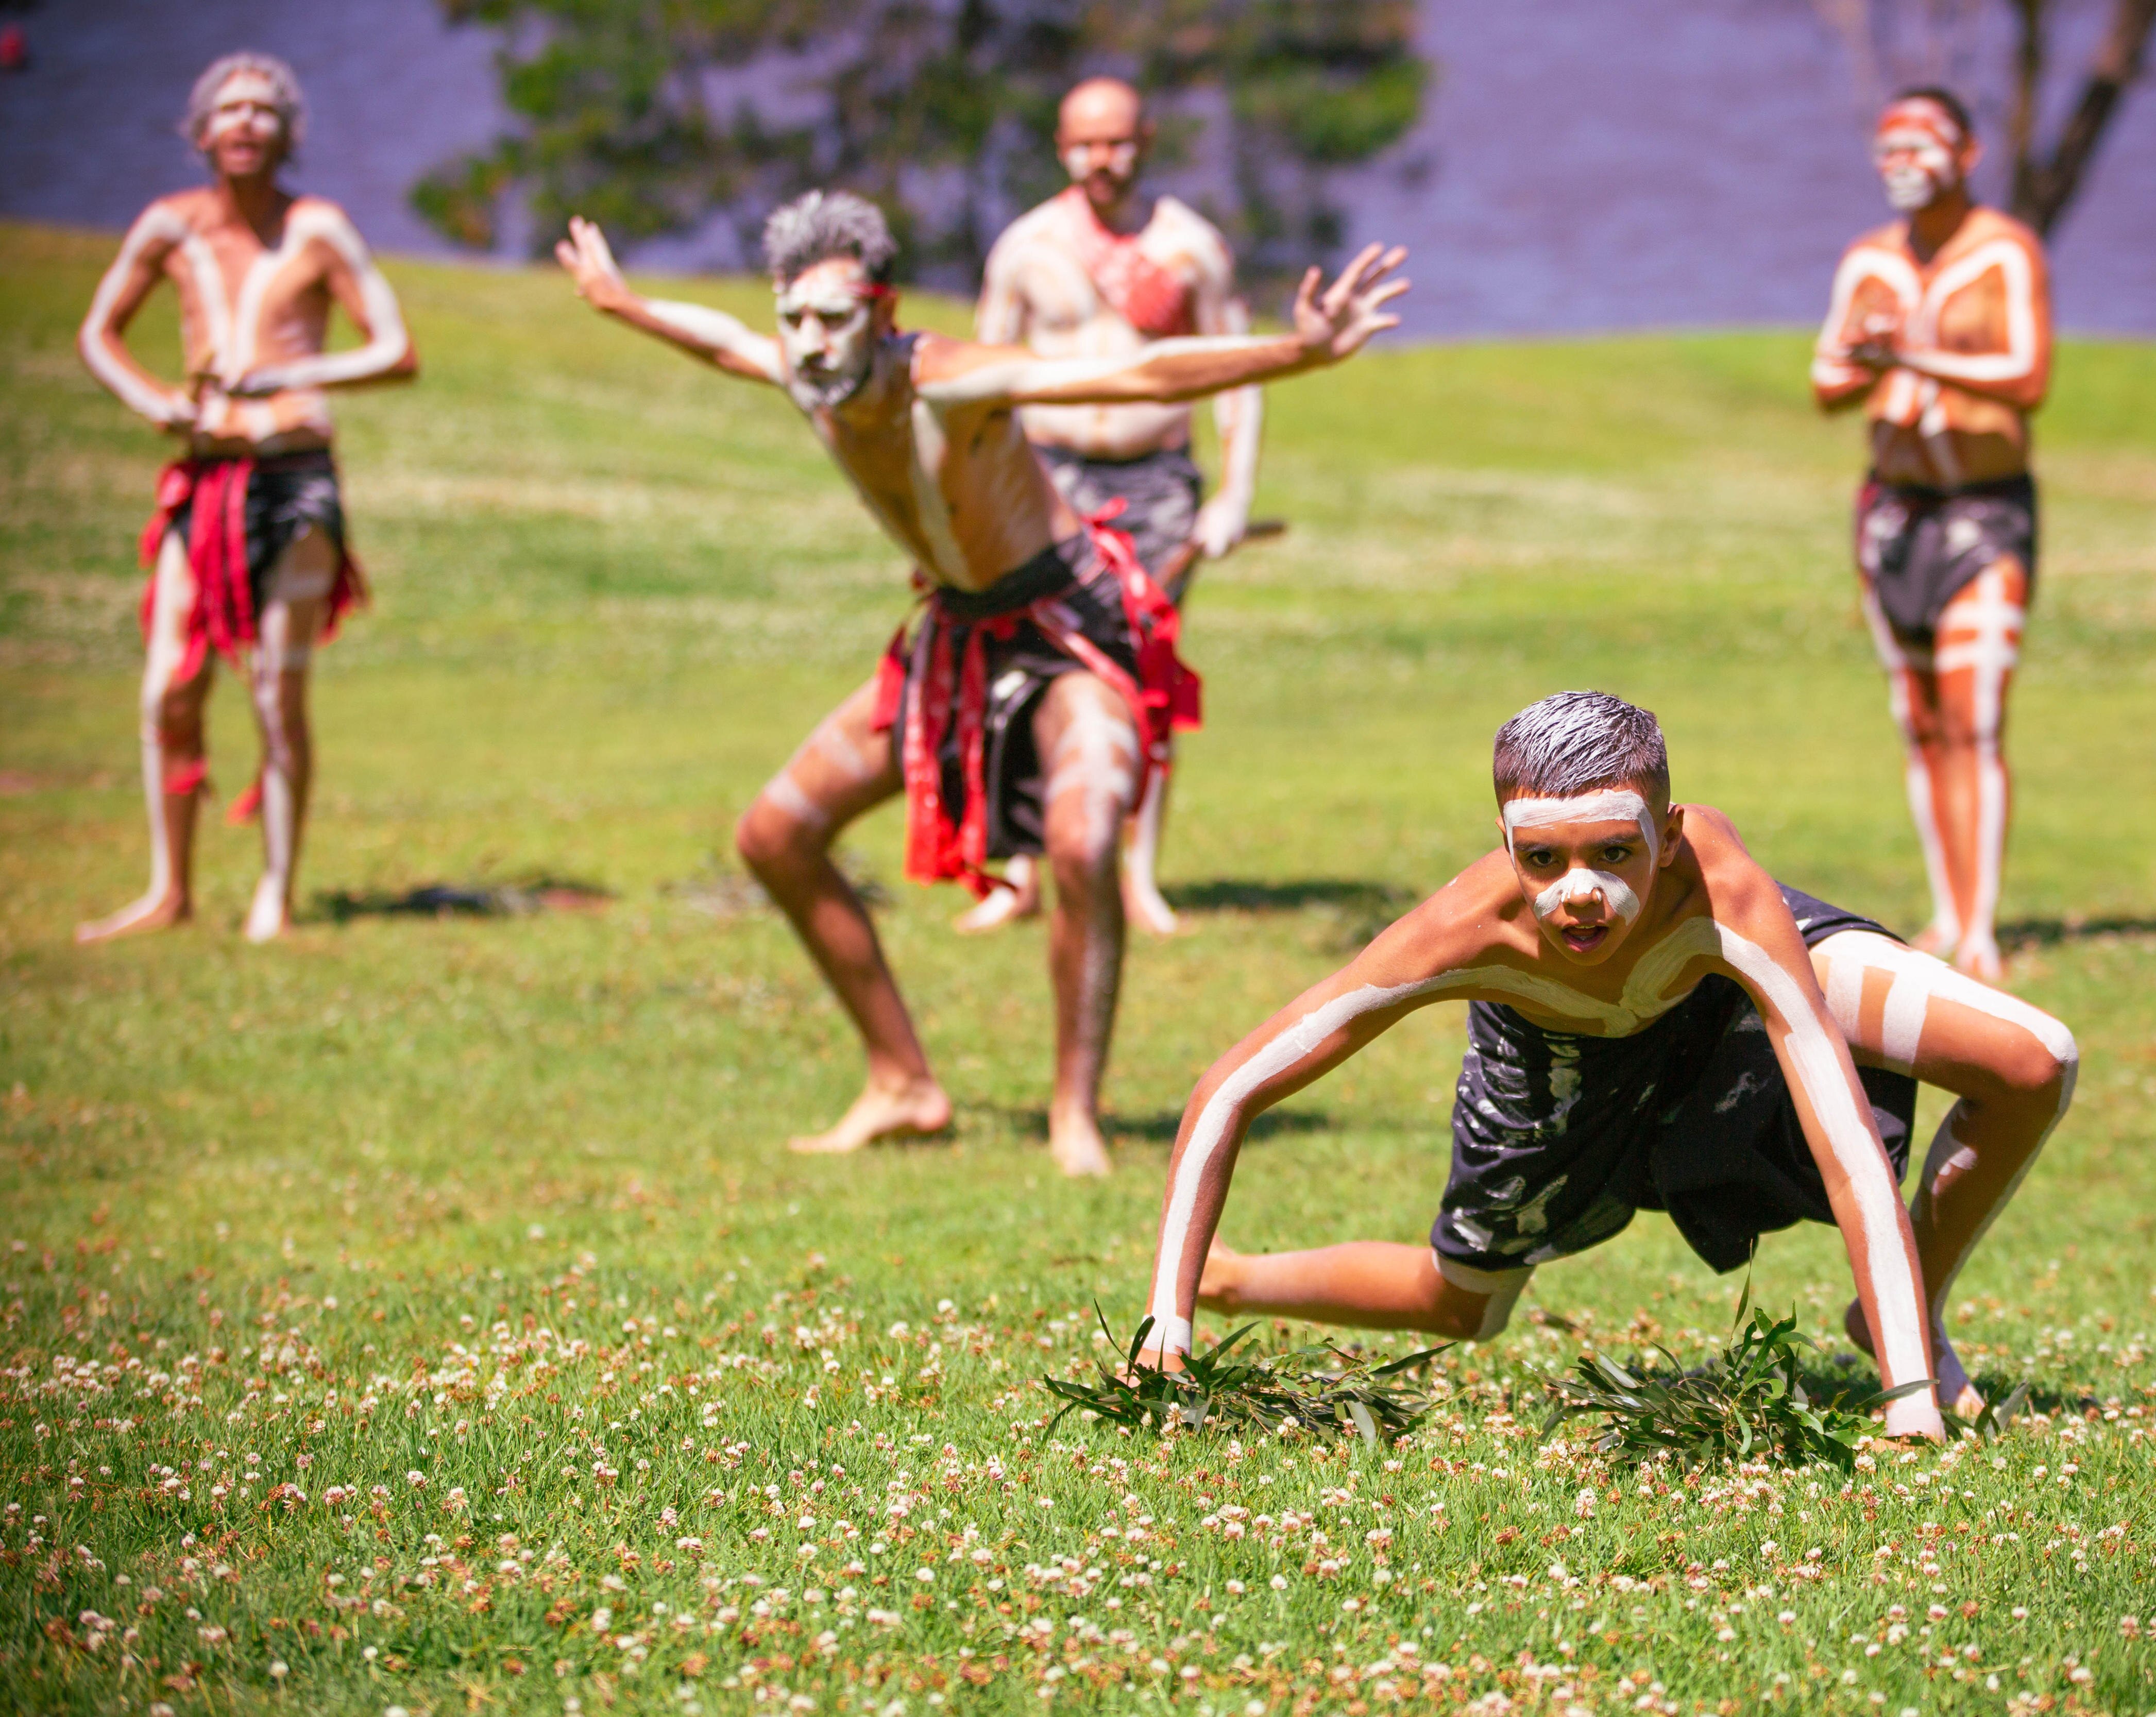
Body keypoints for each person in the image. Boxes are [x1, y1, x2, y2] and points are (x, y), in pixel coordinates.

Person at [554, 193, 1405, 1175]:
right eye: (794, 319)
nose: (811, 342)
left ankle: (1074, 1112)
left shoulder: (953, 380)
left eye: (834, 318)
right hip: (959, 637)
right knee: (774, 837)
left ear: (884, 309)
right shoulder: (801, 370)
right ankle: (902, 1082)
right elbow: (721, 340)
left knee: (1084, 842)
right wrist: (619, 301)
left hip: (1071, 624)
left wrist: (1293, 353)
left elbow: (1130, 371)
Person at [1131, 691, 2078, 1433]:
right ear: (1505, 842)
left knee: (2032, 1058)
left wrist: (1907, 1390)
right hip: (1551, 1055)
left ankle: (1897, 1321)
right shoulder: (1467, 930)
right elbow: (1232, 1086)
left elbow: (1842, 1136)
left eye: (1615, 852)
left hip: (1713, 989)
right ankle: (1229, 1277)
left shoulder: (1722, 891)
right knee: (1461, 1306)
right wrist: (1165, 1327)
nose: (1577, 894)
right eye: (1540, 858)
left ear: (1667, 834)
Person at [75, 52, 417, 944]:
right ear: (201, 133)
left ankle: (276, 890)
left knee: (276, 690)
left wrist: (286, 374)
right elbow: (97, 330)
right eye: (230, 110)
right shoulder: (171, 228)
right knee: (168, 688)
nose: (247, 124)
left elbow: (395, 351)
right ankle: (168, 888)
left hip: (296, 480)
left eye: (265, 111)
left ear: (288, 133)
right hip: (205, 481)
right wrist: (154, 401)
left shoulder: (320, 231)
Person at [965, 76, 1266, 938]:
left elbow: (1240, 372)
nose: (1103, 160)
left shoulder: (1189, 247)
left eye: (1118, 142)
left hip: (1159, 483)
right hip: (1047, 480)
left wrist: (1236, 493)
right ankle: (1017, 873)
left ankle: (1139, 875)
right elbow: (979, 376)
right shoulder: (1028, 245)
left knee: (1148, 669)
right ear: (1063, 147)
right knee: (1023, 661)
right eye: (1087, 144)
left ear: (1147, 140)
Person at [1812, 88, 2052, 984]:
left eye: (1922, 143)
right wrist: (1864, 356)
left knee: (1976, 717)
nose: (1903, 161)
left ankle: (1983, 924)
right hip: (1892, 512)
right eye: (1888, 148)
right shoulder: (1866, 261)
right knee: (1917, 719)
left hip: (1984, 513)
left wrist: (1909, 351)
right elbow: (1826, 381)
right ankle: (1946, 913)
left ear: (1968, 153)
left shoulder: (2005, 254)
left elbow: (2027, 376)